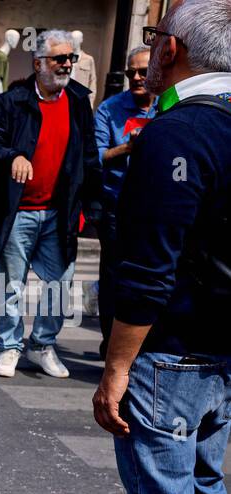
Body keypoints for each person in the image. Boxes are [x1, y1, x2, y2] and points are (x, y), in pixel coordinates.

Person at [67, 0, 231, 494]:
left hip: (171, 347)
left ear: (173, 49)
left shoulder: (178, 132)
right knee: (206, 493)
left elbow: (148, 269)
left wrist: (116, 367)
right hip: (220, 349)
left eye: (155, 38)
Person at [0, 29, 102, 380]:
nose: (66, 65)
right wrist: (12, 155)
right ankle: (9, 347)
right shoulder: (11, 102)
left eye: (70, 59)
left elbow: (89, 157)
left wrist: (93, 207)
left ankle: (42, 344)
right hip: (18, 212)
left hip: (59, 213)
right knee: (11, 284)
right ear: (38, 63)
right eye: (59, 59)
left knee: (61, 284)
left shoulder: (78, 101)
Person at [93, 45, 154, 355]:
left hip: (157, 208)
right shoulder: (110, 108)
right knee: (115, 277)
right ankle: (110, 343)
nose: (137, 77)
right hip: (117, 205)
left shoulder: (171, 106)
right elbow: (97, 155)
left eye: (143, 71)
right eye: (131, 72)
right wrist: (128, 149)